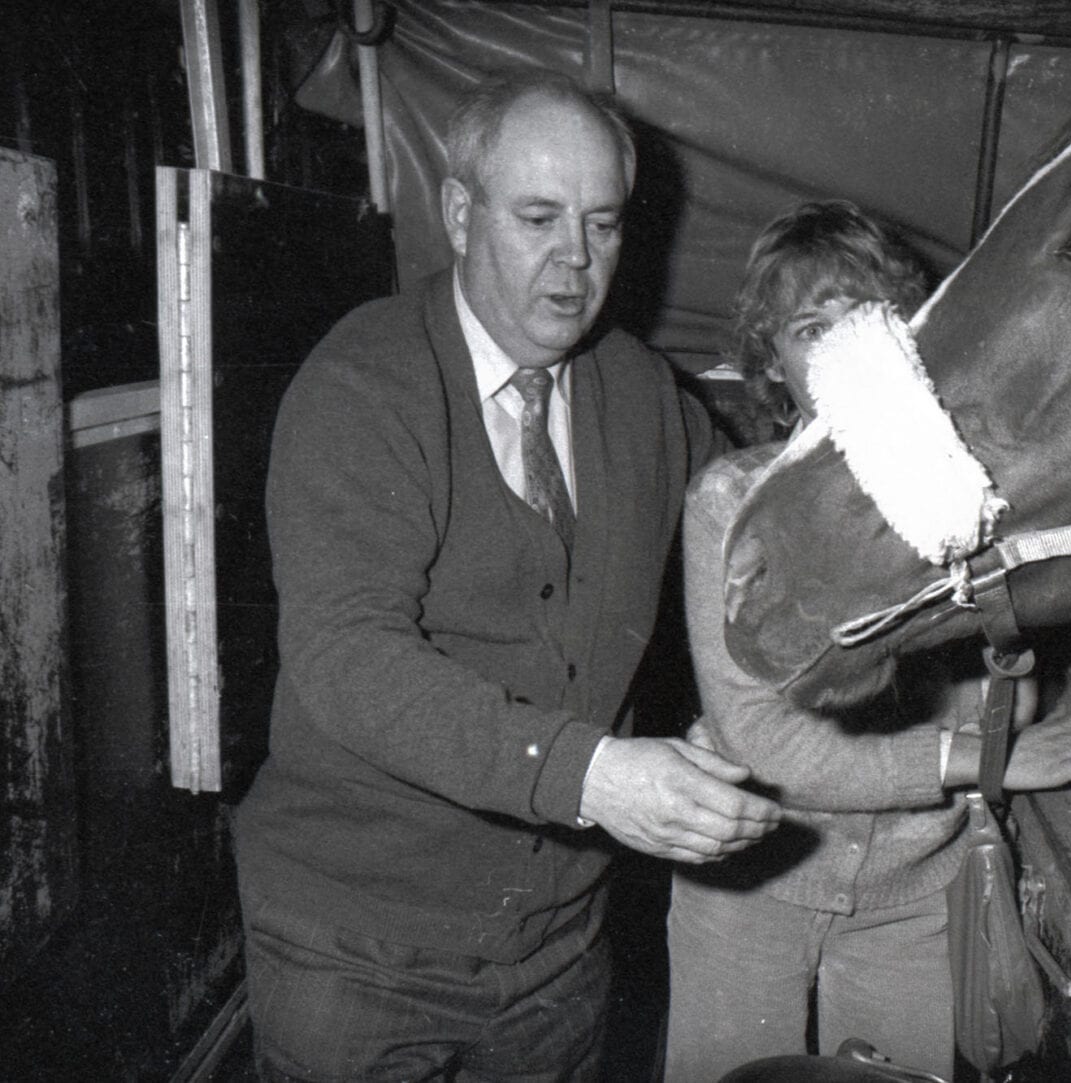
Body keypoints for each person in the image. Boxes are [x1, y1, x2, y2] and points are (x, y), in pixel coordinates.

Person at [232, 69, 782, 1082]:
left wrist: (733, 711)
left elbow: (753, 554)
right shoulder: (364, 386)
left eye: (604, 224)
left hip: (556, 958)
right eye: (538, 218)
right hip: (353, 950)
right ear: (457, 212)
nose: (575, 261)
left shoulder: (645, 399)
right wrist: (598, 775)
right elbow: (346, 657)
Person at [664, 201, 1071, 1081]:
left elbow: (1007, 694)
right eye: (808, 326)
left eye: (864, 315)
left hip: (913, 897)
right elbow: (763, 742)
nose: (840, 345)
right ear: (771, 362)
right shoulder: (733, 501)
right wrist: (986, 760)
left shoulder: (972, 495)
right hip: (752, 884)